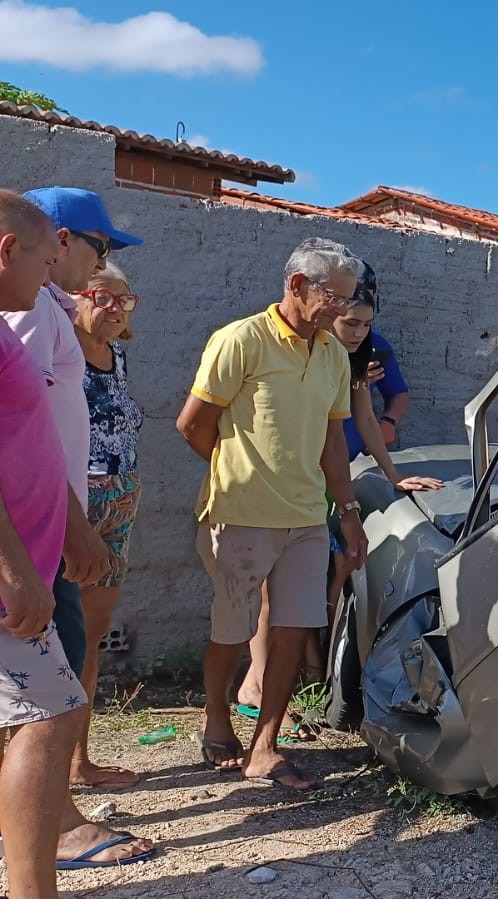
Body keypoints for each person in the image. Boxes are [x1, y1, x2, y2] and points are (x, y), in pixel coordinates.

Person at [176, 237, 369, 792]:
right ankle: (217, 721)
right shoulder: (241, 340)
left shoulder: (333, 354)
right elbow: (193, 424)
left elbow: (333, 440)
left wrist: (347, 513)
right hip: (241, 515)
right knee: (232, 631)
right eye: (333, 298)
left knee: (292, 630)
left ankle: (265, 745)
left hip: (308, 518)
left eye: (347, 300)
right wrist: (238, 470)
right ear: (297, 286)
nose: (340, 310)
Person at [2, 186, 155, 869]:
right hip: (24, 552)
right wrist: (29, 558)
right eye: (101, 246)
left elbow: (37, 432)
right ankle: (51, 838)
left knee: (48, 702)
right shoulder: (28, 313)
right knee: (48, 708)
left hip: (41, 538)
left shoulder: (41, 312)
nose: (103, 268)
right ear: (59, 242)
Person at [234, 258, 441, 715]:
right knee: (272, 587)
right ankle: (254, 681)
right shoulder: (308, 348)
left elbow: (365, 418)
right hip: (283, 482)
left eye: (365, 325)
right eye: (350, 321)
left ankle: (311, 670)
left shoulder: (352, 357)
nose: (357, 332)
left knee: (322, 578)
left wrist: (392, 474)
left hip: (329, 483)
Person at [0, 189, 94, 899]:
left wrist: (74, 528)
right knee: (52, 713)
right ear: (8, 250)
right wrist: (15, 567)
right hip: (9, 572)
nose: (45, 272)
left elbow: (31, 440)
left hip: (30, 554)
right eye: (41, 258)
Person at [66, 263, 145, 790]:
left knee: (89, 638)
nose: (115, 308)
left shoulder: (115, 356)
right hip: (70, 503)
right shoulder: (58, 350)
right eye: (103, 296)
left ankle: (77, 760)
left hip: (118, 502)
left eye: (125, 299)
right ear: (74, 297)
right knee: (48, 636)